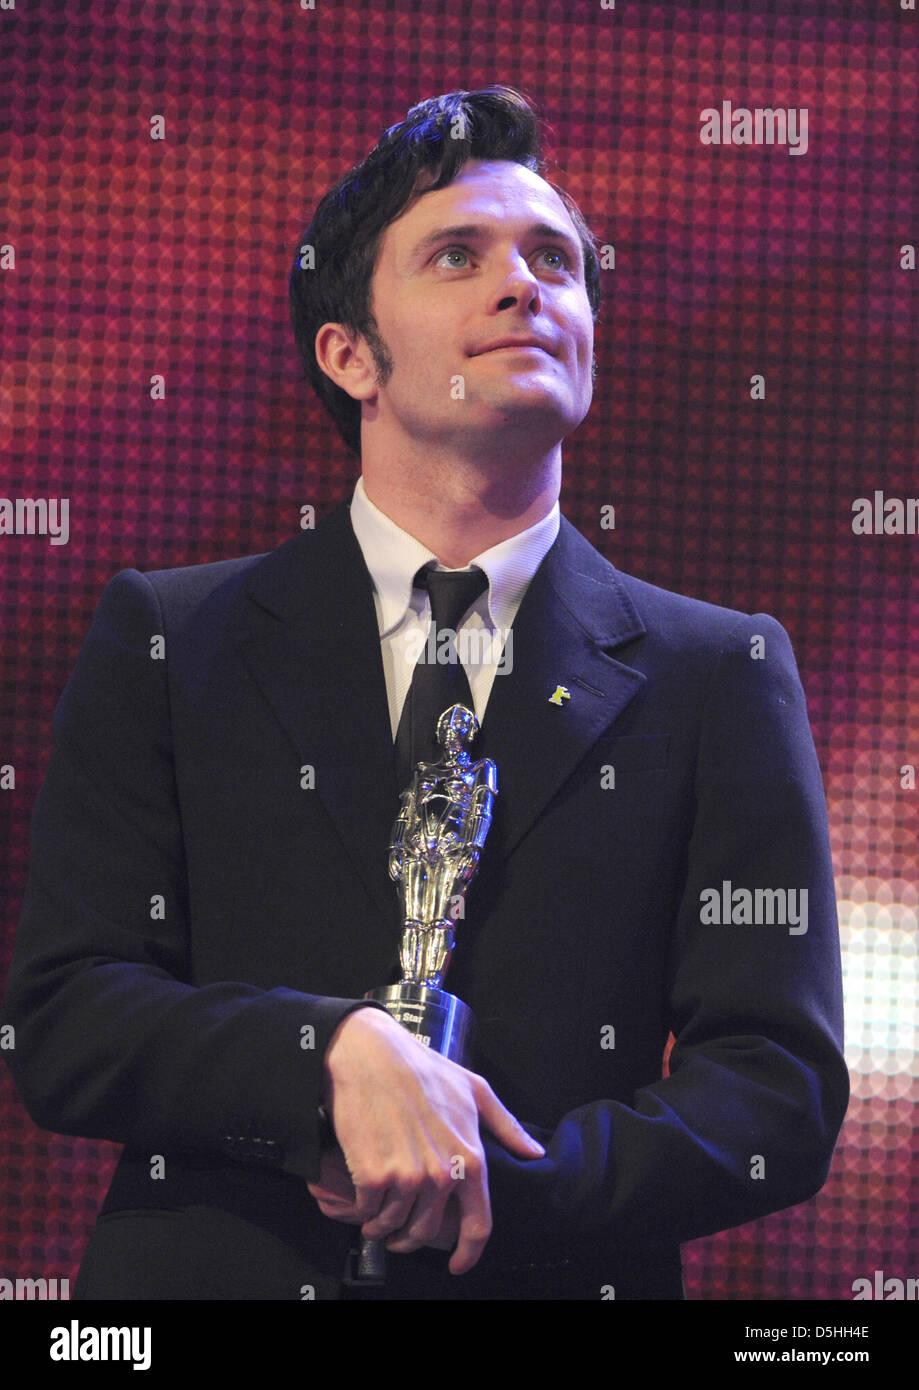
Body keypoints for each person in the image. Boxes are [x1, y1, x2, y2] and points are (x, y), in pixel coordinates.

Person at [1, 86, 849, 1301]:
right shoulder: (175, 636)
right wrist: (326, 1056)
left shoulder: (719, 671)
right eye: (460, 255)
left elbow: (778, 1083)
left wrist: (502, 1180)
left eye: (554, 258)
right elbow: (67, 1017)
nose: (526, 286)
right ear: (349, 351)